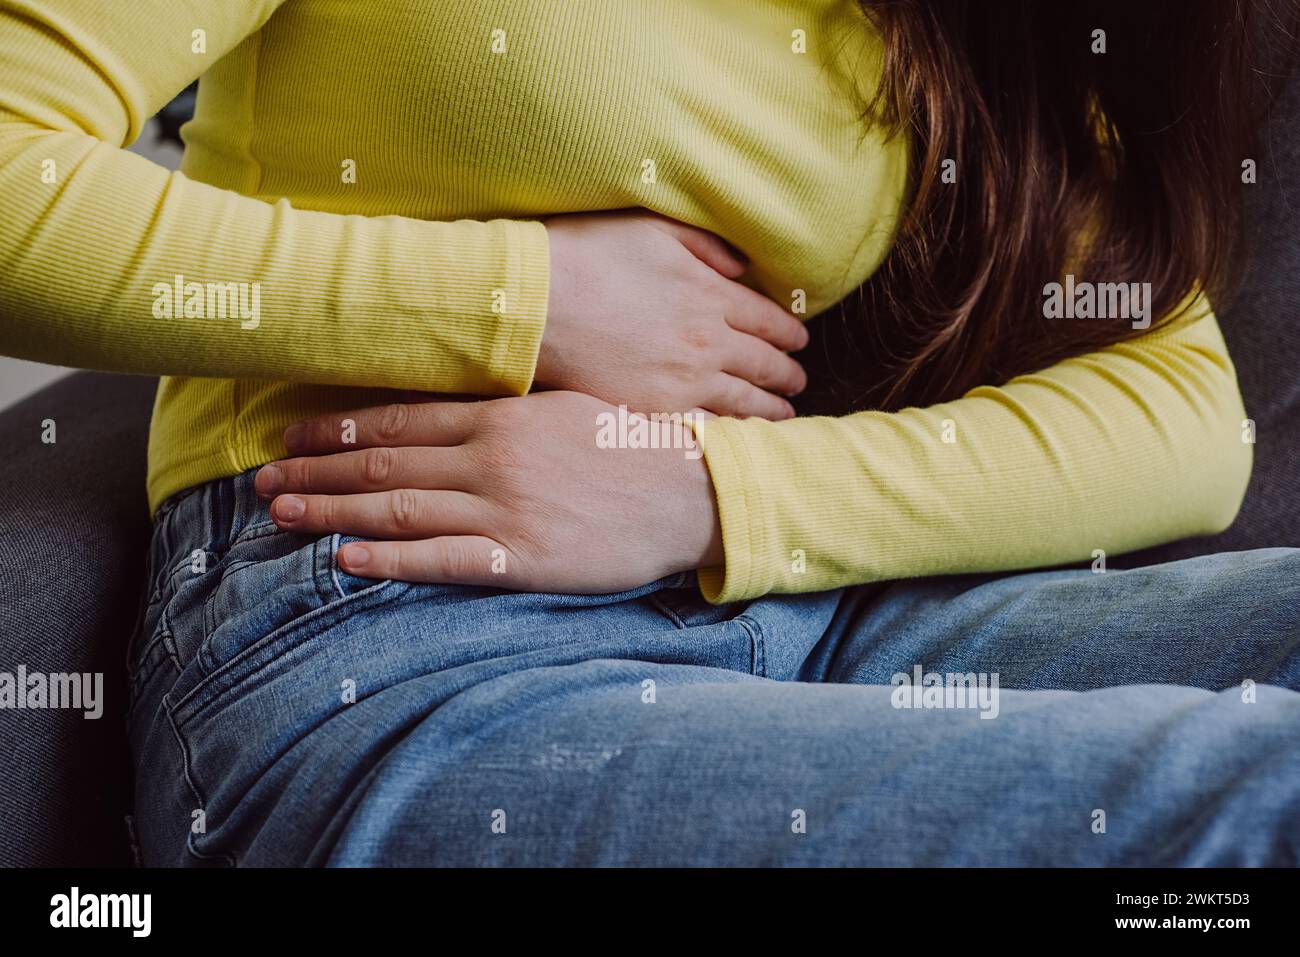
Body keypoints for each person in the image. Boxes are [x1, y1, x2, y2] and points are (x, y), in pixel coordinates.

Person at [1, 0, 1296, 865]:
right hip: (399, 629)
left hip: (810, 603)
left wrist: (716, 490)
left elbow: (1182, 415)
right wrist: (522, 303)